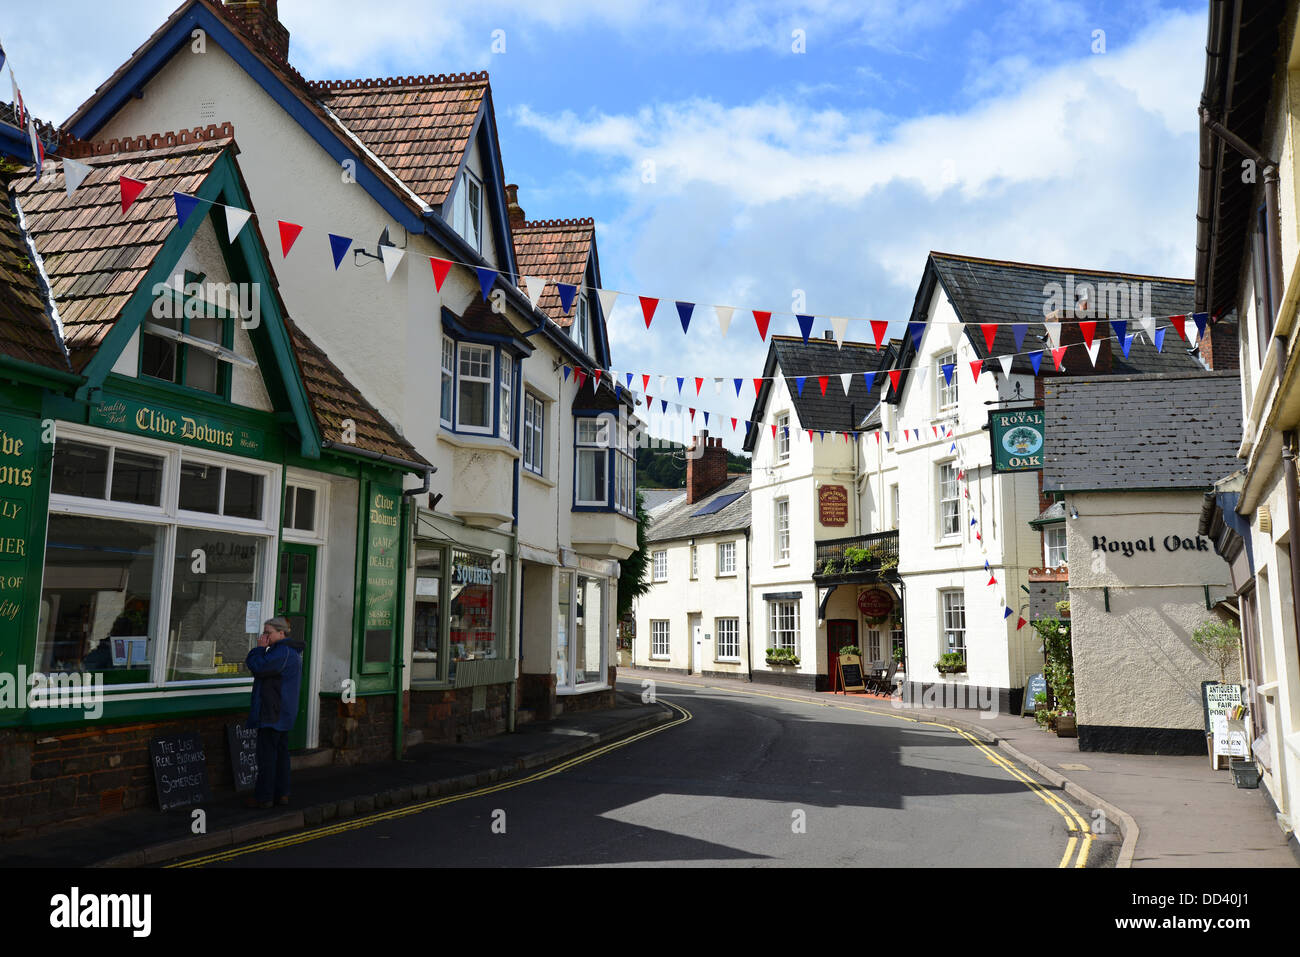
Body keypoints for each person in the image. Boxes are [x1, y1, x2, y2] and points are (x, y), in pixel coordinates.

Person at [244, 617, 305, 809]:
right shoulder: (289, 652)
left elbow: (258, 667)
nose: (264, 637)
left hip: (273, 712)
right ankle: (282, 794)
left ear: (281, 633)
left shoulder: (282, 652)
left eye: (268, 633)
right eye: (264, 633)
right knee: (280, 755)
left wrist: (258, 649)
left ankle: (264, 797)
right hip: (281, 711)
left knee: (267, 757)